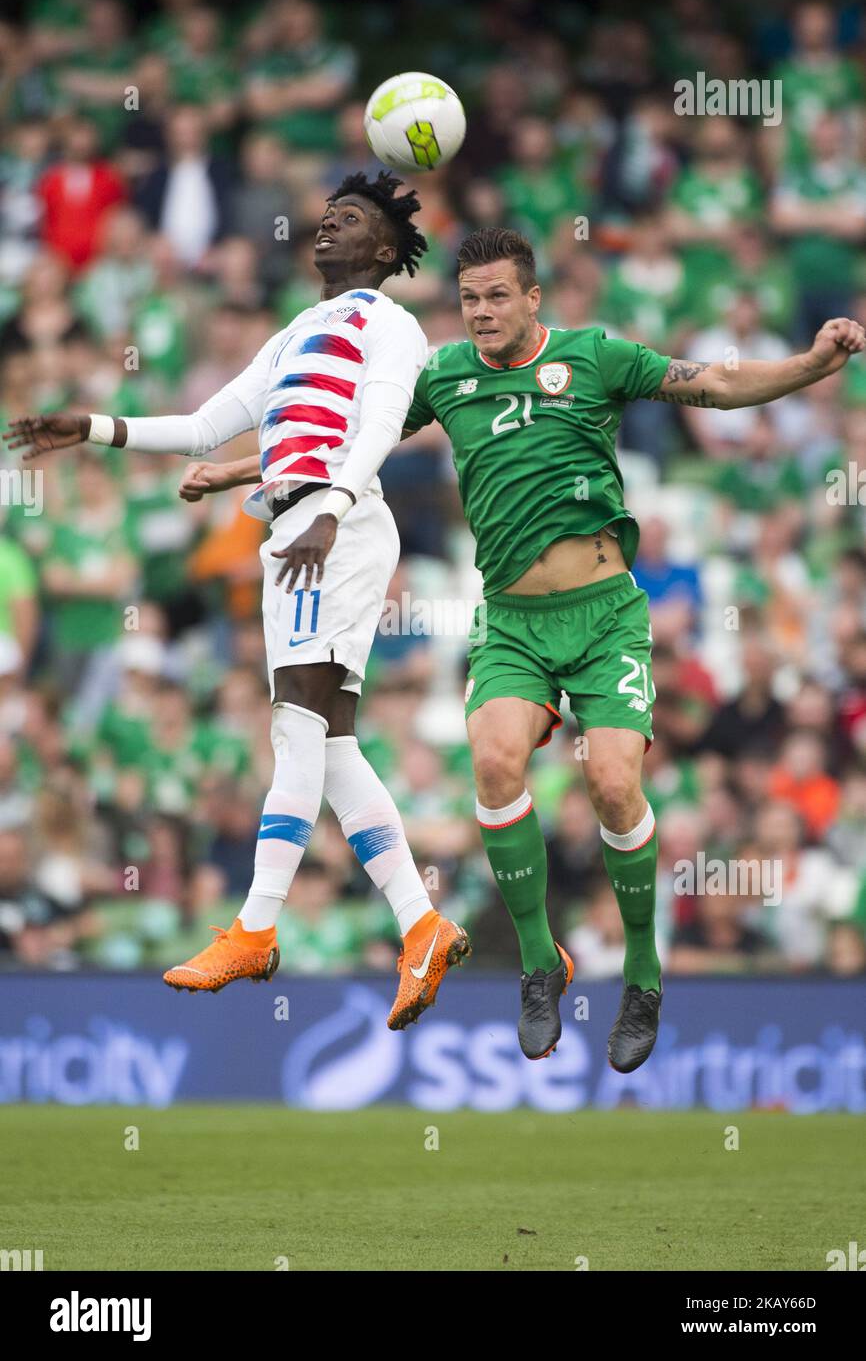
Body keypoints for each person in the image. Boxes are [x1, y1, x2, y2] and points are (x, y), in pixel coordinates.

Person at [2, 170, 471, 1031]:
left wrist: (328, 509)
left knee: (295, 725)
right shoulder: (295, 332)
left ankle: (256, 927)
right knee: (326, 744)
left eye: (353, 218)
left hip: (335, 526)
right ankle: (422, 923)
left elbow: (377, 425)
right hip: (294, 528)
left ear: (386, 250)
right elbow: (206, 423)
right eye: (327, 214)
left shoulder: (389, 322)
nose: (329, 225)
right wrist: (97, 430)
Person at [396, 226, 862, 1069]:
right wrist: (227, 463)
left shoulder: (596, 357)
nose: (483, 311)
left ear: (533, 298)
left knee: (612, 781)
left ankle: (643, 972)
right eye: (469, 298)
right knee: (495, 763)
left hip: (606, 613)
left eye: (499, 295)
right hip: (511, 621)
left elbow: (714, 382)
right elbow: (342, 441)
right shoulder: (443, 377)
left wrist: (812, 364)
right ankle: (541, 962)